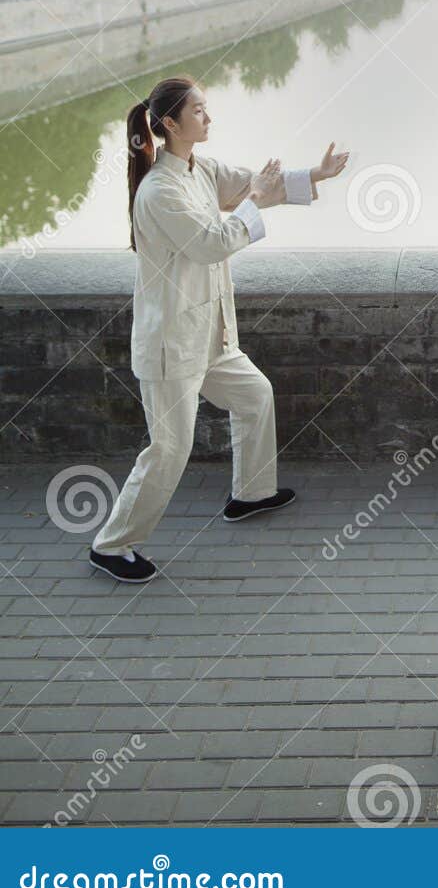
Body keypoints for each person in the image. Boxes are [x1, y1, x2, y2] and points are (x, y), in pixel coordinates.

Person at [89, 75, 348, 584]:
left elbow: (255, 184)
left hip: (209, 335)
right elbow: (211, 243)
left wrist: (317, 174)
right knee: (169, 450)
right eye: (199, 111)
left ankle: (251, 494)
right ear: (170, 123)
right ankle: (111, 544)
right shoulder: (159, 191)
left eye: (207, 108)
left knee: (255, 395)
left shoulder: (201, 169)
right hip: (171, 345)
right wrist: (255, 198)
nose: (209, 118)